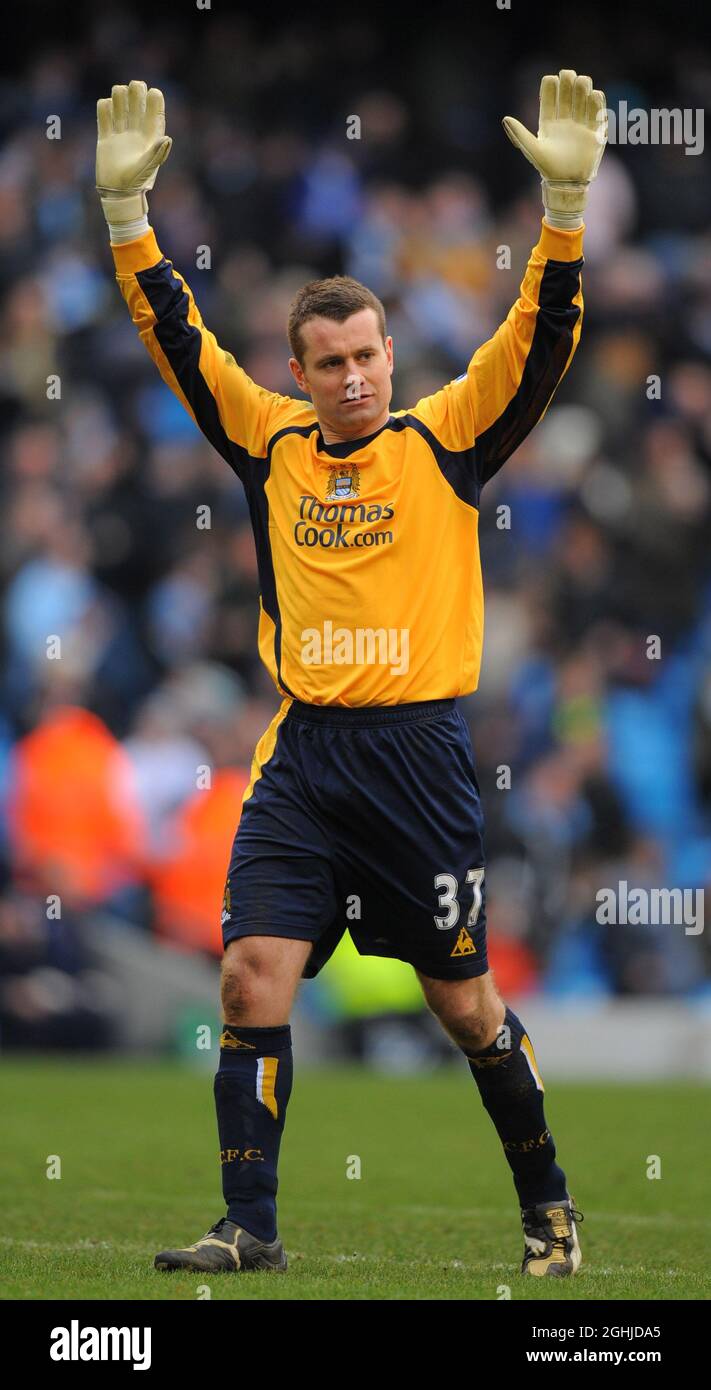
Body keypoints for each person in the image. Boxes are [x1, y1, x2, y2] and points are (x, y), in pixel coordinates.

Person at [96, 69, 607, 1278]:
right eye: (328, 363)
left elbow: (538, 344)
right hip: (305, 754)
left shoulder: (445, 440)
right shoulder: (266, 440)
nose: (356, 377)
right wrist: (130, 228)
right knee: (247, 972)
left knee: (464, 1007)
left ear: (391, 352)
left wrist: (566, 211)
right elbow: (182, 342)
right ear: (304, 372)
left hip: (418, 758)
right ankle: (250, 1228)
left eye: (369, 354)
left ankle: (550, 1210)